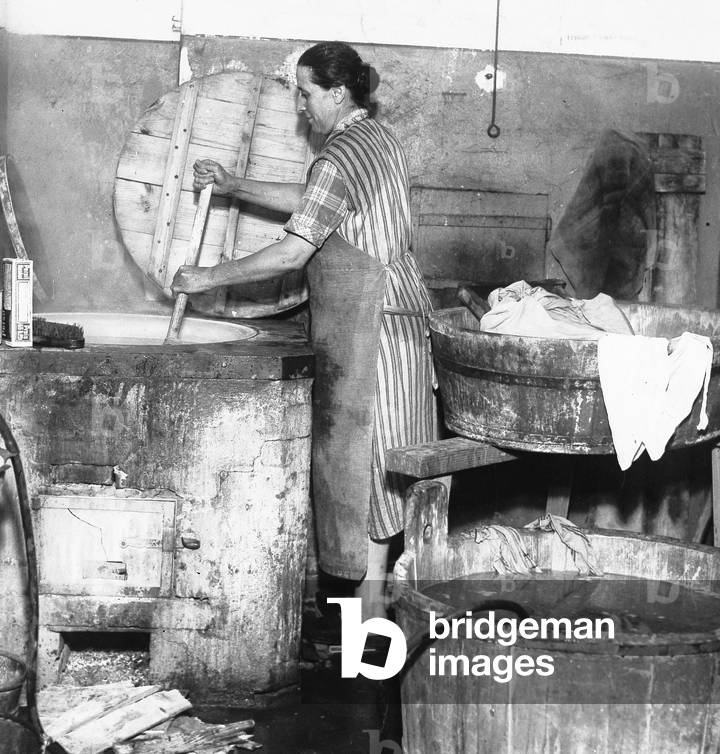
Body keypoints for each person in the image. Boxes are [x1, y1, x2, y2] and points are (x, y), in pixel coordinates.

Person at [172, 41, 436, 620]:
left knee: (365, 479)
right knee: (388, 480)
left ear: (337, 93)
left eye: (306, 92)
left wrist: (207, 278)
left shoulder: (339, 154)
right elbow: (315, 202)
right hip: (404, 327)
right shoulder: (377, 140)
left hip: (371, 337)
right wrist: (237, 185)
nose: (299, 105)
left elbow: (293, 251)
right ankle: (373, 629)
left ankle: (365, 636)